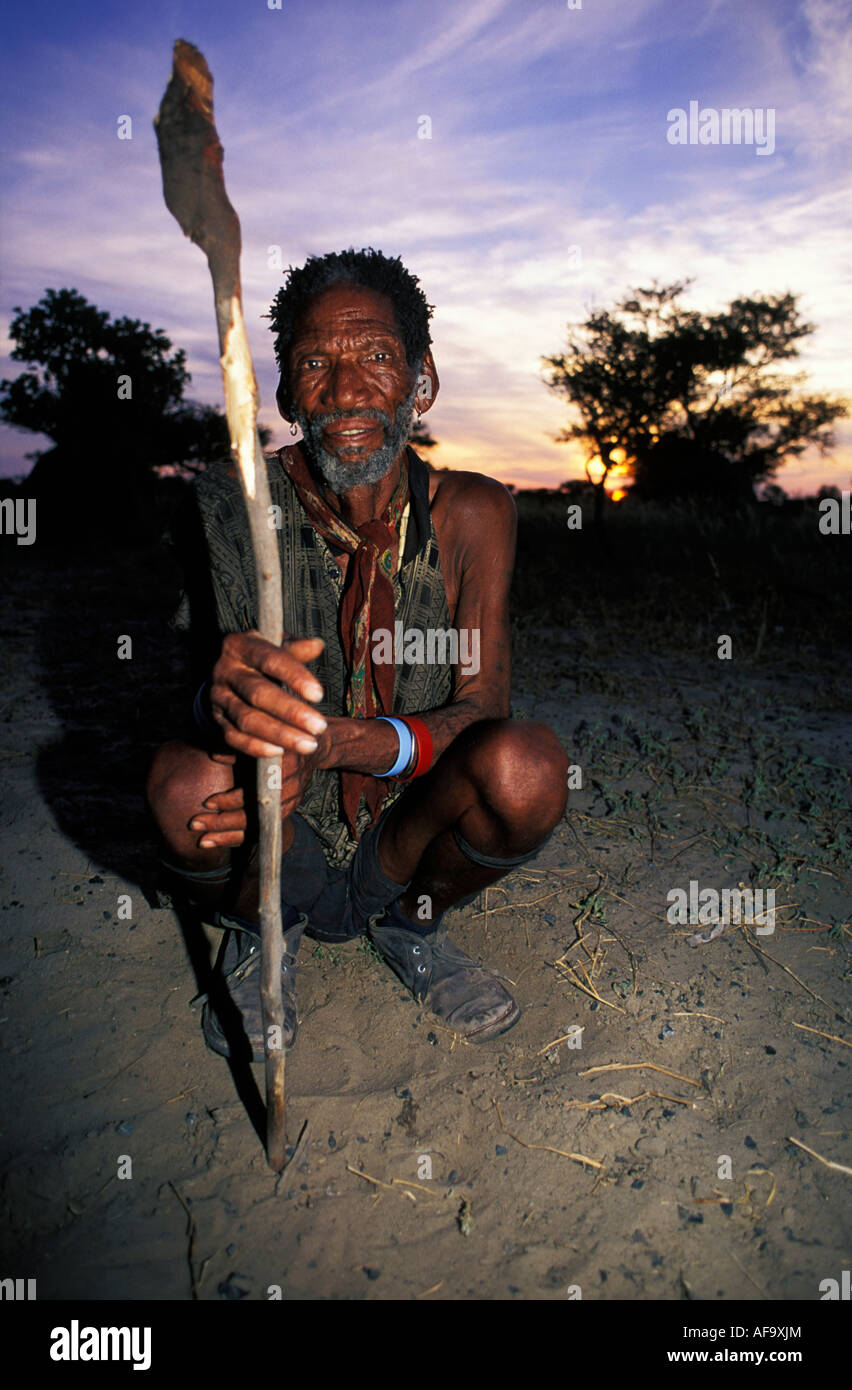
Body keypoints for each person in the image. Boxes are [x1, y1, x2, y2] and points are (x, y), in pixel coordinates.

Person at [147, 248, 568, 1060]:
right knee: (181, 785)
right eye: (315, 363)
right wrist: (232, 716)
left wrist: (341, 744)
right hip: (280, 830)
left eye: (376, 355)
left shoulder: (473, 511)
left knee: (527, 769)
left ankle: (411, 925)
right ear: (286, 393)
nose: (344, 391)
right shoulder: (231, 501)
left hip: (404, 834)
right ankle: (261, 929)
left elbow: (484, 708)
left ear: (422, 380)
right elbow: (204, 692)